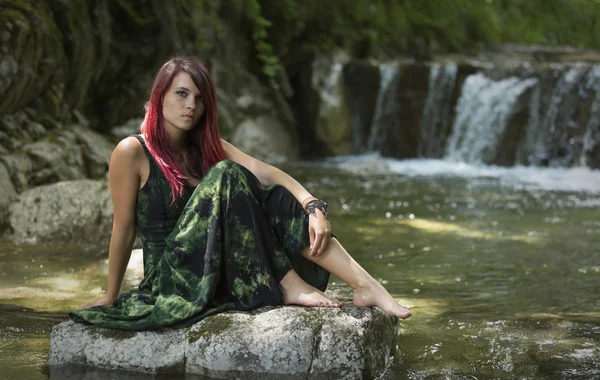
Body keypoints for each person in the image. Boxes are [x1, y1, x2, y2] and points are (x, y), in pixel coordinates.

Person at [71, 56, 411, 331]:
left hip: (217, 269)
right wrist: (109, 296)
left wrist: (312, 205)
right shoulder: (131, 151)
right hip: (173, 277)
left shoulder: (205, 146)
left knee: (276, 195)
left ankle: (365, 285)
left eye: (200, 99)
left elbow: (265, 172)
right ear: (159, 96)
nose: (191, 105)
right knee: (228, 174)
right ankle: (288, 283)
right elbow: (123, 228)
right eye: (182, 94)